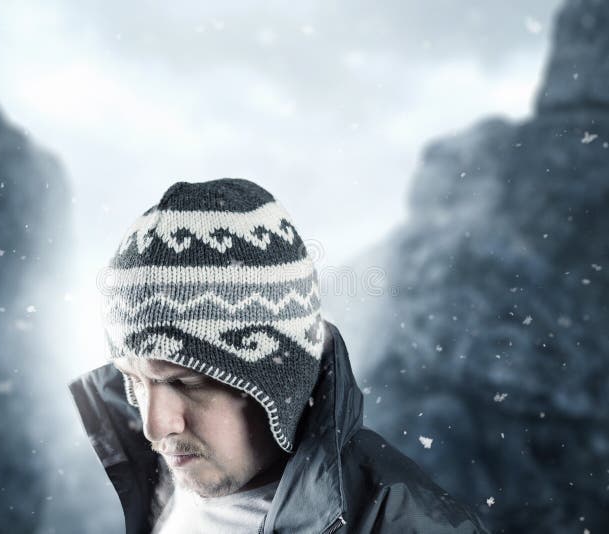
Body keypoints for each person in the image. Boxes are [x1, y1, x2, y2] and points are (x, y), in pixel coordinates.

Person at [69, 178, 489, 533]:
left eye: (187, 382)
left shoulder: (401, 521)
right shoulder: (156, 489)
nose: (153, 425)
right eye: (136, 381)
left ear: (277, 385)